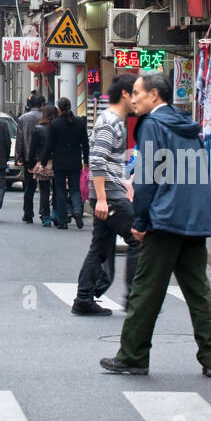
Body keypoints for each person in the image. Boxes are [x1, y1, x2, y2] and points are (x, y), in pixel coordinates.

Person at [100, 71, 211, 378]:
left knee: (145, 289)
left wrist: (140, 220)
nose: (134, 98)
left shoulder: (152, 125)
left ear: (154, 95)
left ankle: (133, 355)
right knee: (198, 290)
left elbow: (147, 177)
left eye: (138, 93)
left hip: (165, 218)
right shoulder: (186, 125)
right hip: (195, 216)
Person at [72, 74, 139, 316]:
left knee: (100, 247)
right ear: (125, 94)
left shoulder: (113, 121)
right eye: (137, 95)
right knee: (138, 238)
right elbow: (97, 159)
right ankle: (135, 297)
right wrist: (101, 197)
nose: (138, 101)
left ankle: (84, 298)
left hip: (109, 192)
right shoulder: (109, 121)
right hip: (109, 195)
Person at [42, 96, 89, 229]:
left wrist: (44, 161)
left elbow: (49, 145)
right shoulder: (80, 123)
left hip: (60, 162)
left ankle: (63, 220)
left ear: (59, 109)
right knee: (75, 189)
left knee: (60, 190)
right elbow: (85, 144)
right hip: (75, 161)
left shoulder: (55, 124)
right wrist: (86, 160)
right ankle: (77, 210)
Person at [15, 93, 45, 224]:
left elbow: (20, 139)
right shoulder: (47, 116)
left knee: (29, 186)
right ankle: (45, 213)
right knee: (45, 186)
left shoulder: (23, 118)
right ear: (42, 104)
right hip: (45, 157)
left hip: (29, 157)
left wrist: (18, 156)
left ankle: (28, 213)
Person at [27, 105, 58, 227]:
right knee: (57, 189)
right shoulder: (58, 128)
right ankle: (56, 212)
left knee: (44, 191)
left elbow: (33, 149)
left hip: (42, 163)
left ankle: (46, 217)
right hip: (57, 163)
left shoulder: (38, 129)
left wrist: (30, 164)